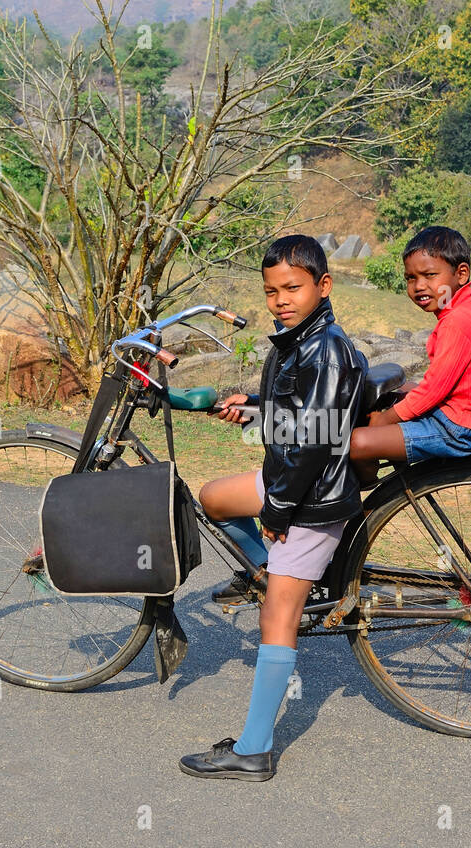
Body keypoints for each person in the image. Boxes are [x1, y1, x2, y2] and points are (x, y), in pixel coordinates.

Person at [181, 234, 366, 781]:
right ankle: (268, 570)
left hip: (311, 498)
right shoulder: (299, 340)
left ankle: (254, 749)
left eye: (293, 287)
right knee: (212, 498)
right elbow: (299, 415)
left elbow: (312, 441)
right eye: (271, 290)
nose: (281, 299)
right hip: (290, 480)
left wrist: (278, 513)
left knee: (276, 618)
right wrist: (257, 407)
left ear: (323, 286)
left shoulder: (325, 349)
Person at [348, 226, 471, 483]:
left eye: (430, 275)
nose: (419, 286)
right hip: (461, 417)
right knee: (395, 392)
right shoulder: (461, 312)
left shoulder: (458, 322)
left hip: (458, 429)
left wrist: (385, 420)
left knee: (357, 442)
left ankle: (366, 511)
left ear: (461, 273)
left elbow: (433, 391)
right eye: (411, 278)